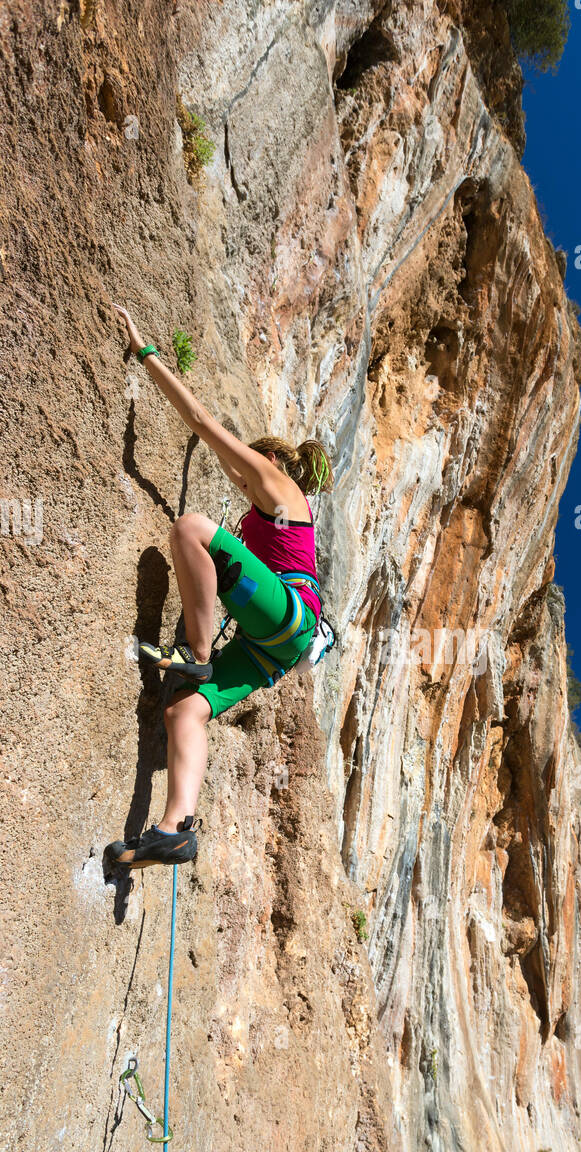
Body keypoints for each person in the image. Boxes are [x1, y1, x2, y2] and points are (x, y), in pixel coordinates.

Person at [106, 304, 334, 870]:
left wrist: (145, 352)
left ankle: (199, 656)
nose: (242, 471)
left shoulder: (280, 485)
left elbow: (204, 424)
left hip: (289, 615)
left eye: (252, 461)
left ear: (274, 460)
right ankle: (172, 829)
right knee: (185, 712)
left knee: (190, 529)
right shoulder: (268, 510)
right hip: (272, 649)